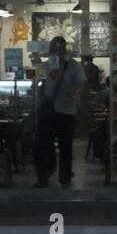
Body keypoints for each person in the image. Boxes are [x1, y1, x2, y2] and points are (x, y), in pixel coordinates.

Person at [34, 35, 85, 189]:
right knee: (44, 144)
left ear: (64, 49)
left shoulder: (73, 65)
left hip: (66, 110)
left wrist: (75, 99)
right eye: (53, 48)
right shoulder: (47, 64)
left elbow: (81, 84)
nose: (55, 51)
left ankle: (64, 178)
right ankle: (45, 176)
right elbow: (39, 83)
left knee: (65, 146)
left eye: (58, 48)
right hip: (50, 110)